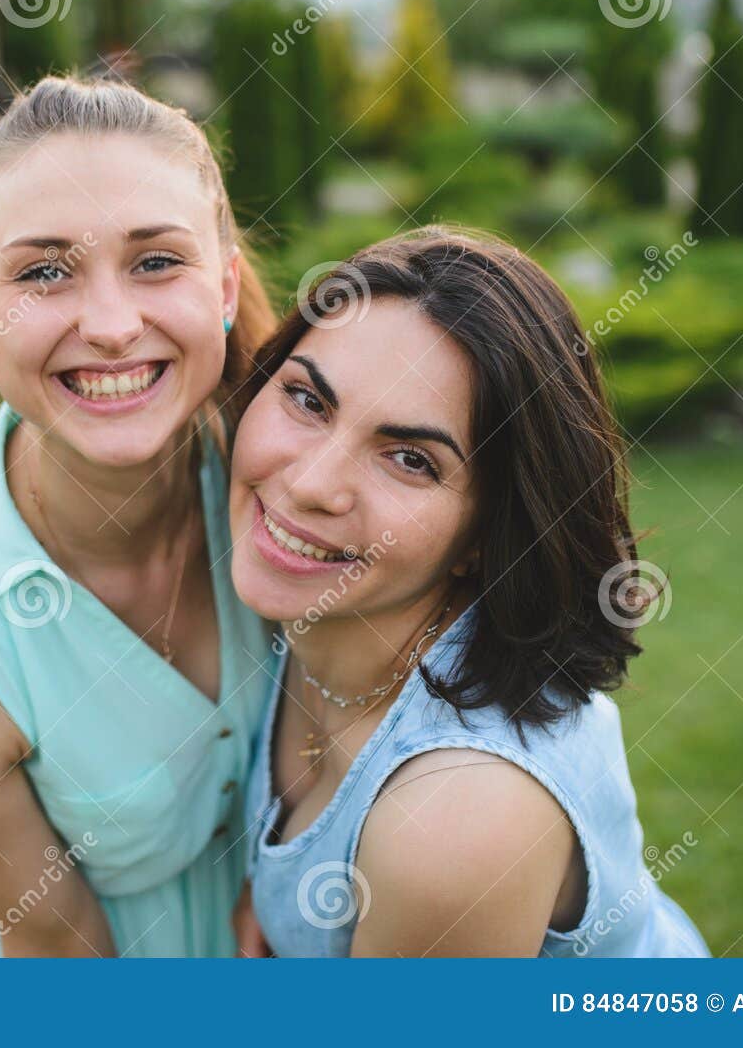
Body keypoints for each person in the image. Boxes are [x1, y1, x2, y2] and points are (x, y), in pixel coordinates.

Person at [0, 76, 278, 957]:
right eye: (45, 272)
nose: (114, 325)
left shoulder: (288, 486)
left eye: (157, 261)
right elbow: (61, 948)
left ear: (227, 288)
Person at [227, 227, 709, 957]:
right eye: (306, 399)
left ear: (488, 533)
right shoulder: (306, 608)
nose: (309, 483)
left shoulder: (458, 820)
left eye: (410, 460)